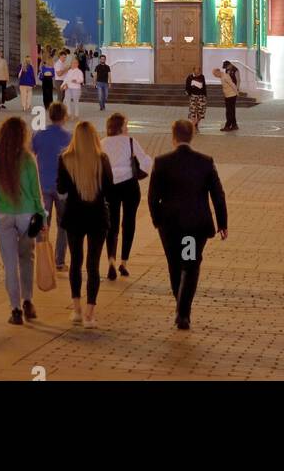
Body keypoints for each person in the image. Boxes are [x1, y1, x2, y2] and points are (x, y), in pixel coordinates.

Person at [149, 118, 228, 330]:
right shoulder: (204, 162)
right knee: (190, 265)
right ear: (191, 136)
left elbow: (152, 197)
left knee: (175, 265)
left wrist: (158, 220)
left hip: (170, 226)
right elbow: (217, 194)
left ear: (173, 136)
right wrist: (222, 222)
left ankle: (180, 306)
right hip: (193, 227)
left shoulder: (162, 162)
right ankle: (183, 312)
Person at [0, 115, 46, 325]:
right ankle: (28, 301)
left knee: (9, 264)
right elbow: (36, 192)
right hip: (27, 214)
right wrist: (42, 216)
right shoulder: (27, 159)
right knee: (27, 258)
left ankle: (15, 309)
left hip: (3, 215)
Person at [56, 121, 114, 328]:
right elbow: (109, 188)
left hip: (74, 215)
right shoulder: (102, 159)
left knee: (76, 262)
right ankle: (90, 313)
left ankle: (76, 309)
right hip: (97, 215)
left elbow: (61, 188)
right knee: (93, 265)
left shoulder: (64, 159)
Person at [101, 113, 152, 281]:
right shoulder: (130, 141)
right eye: (126, 125)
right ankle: (124, 262)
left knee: (112, 224)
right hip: (129, 185)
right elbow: (145, 161)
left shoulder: (102, 143)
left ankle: (111, 260)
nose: (128, 128)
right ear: (121, 126)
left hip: (110, 187)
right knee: (129, 222)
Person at [32, 101, 72, 273]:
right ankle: (59, 260)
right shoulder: (69, 137)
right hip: (62, 188)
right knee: (63, 224)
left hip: (44, 185)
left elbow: (31, 152)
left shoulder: (39, 135)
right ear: (64, 117)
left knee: (42, 224)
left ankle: (42, 260)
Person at [212, 60, 241, 132]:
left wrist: (237, 91)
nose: (215, 76)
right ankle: (234, 125)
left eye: (215, 75)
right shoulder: (223, 75)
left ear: (218, 72)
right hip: (228, 95)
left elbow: (233, 83)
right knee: (231, 111)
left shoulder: (226, 76)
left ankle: (227, 126)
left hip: (231, 95)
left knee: (229, 111)